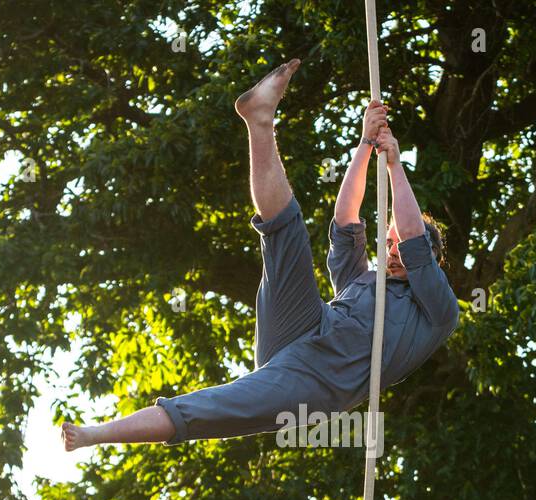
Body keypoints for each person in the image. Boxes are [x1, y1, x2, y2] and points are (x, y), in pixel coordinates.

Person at [62, 58, 459, 449]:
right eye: (386, 244)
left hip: (315, 382)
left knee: (210, 407)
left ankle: (96, 434)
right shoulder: (365, 279)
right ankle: (259, 120)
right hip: (306, 324)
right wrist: (365, 145)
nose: (392, 251)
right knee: (287, 230)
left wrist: (393, 163)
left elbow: (411, 235)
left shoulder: (437, 310)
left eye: (400, 248)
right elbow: (346, 218)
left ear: (432, 259)